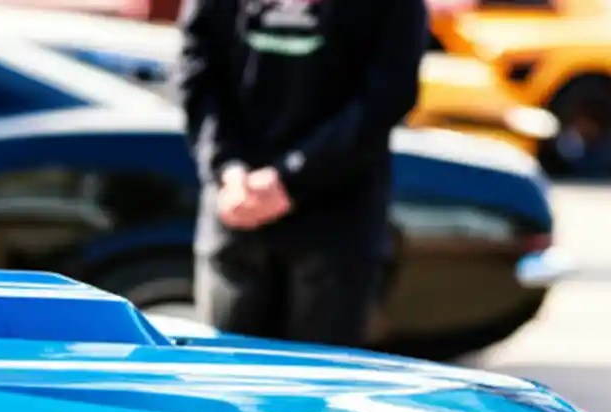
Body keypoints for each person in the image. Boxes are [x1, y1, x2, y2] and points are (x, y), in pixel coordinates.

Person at [177, 0, 427, 347]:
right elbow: (196, 72)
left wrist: (291, 178)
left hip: (334, 226)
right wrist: (228, 170)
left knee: (317, 392)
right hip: (237, 215)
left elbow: (391, 90)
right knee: (227, 380)